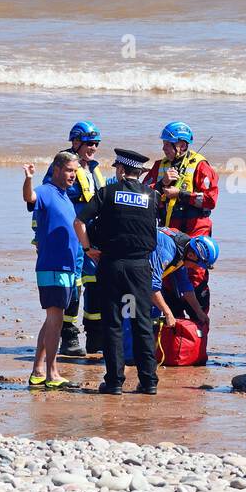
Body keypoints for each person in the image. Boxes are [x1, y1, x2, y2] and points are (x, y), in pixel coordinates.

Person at [77, 149, 160, 395]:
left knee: (112, 323)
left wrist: (88, 248)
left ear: (122, 170)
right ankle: (149, 382)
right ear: (139, 172)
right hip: (140, 267)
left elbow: (79, 222)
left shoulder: (108, 192)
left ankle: (114, 382)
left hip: (111, 264)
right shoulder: (152, 196)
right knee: (142, 323)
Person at [25, 121, 105, 357]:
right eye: (89, 143)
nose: (93, 148)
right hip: (70, 237)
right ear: (76, 142)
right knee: (73, 286)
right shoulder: (62, 167)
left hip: (91, 235)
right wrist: (38, 237)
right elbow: (41, 202)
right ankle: (69, 335)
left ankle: (94, 334)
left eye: (96, 144)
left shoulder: (94, 168)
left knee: (93, 282)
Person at [22, 152, 81, 387]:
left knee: (52, 320)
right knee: (55, 319)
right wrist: (28, 179)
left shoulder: (66, 197)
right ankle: (52, 373)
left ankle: (38, 370)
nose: (73, 176)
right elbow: (30, 197)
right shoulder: (47, 190)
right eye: (69, 171)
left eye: (75, 172)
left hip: (66, 267)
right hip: (53, 266)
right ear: (56, 169)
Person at [144, 121, 218, 303]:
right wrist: (162, 185)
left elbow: (210, 200)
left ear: (182, 145)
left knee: (195, 277)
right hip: (168, 233)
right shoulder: (160, 166)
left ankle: (196, 320)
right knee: (167, 280)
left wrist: (181, 194)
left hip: (195, 231)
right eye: (164, 143)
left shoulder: (200, 166)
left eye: (168, 144)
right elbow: (143, 193)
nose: (164, 148)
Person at [150, 228, 218, 328]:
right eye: (198, 265)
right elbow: (151, 286)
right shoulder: (167, 251)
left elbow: (185, 284)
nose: (197, 268)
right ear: (191, 255)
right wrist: (168, 313)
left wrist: (199, 312)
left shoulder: (183, 248)